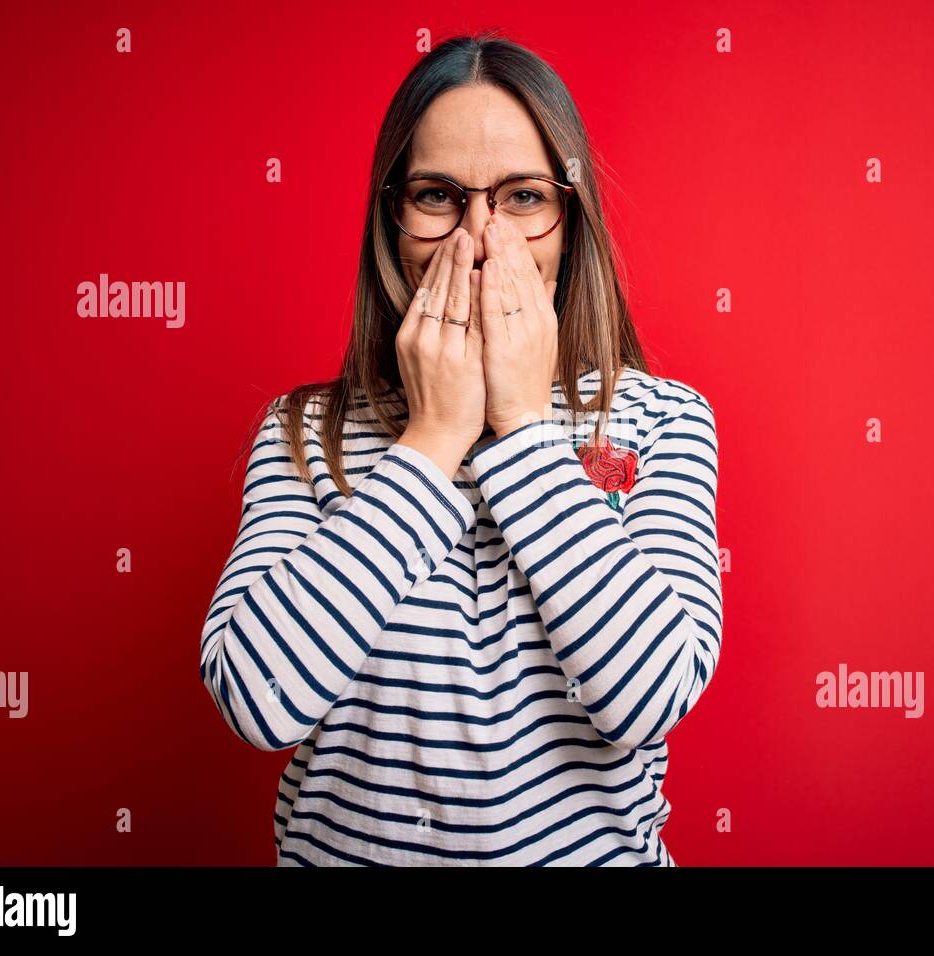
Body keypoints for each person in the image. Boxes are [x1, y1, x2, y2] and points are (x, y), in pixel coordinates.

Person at [199, 31, 722, 866]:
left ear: (569, 218)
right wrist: (431, 441)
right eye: (439, 195)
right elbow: (259, 701)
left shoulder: (664, 422)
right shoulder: (303, 435)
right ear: (393, 219)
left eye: (521, 197)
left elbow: (649, 697)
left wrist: (521, 427)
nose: (480, 240)